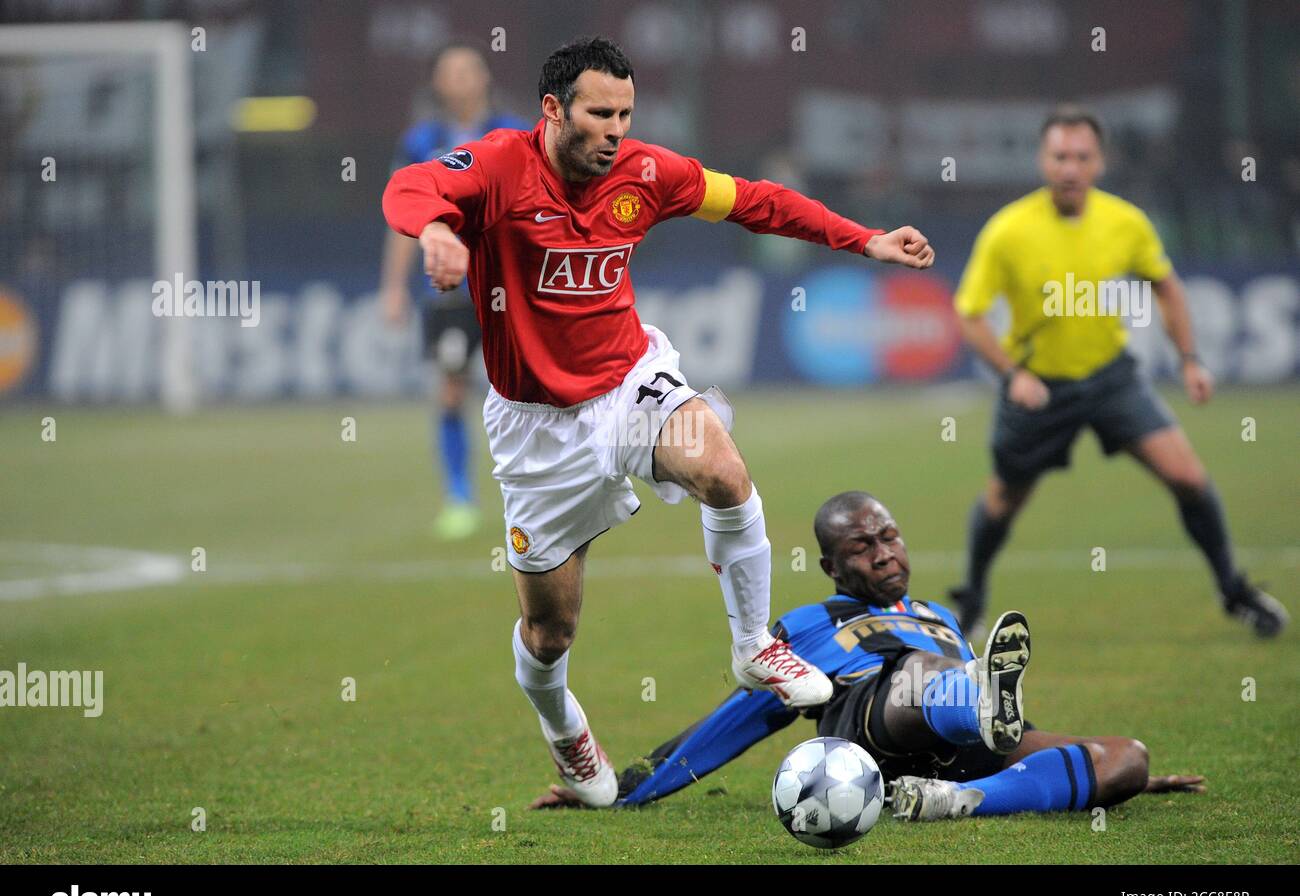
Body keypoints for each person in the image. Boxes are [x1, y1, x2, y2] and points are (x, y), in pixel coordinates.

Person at [382, 37, 935, 806]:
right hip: (538, 429)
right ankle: (564, 727)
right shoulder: (501, 165)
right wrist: (437, 231)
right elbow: (409, 187)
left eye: (626, 114)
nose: (615, 129)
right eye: (599, 113)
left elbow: (754, 201)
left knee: (725, 473)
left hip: (629, 381)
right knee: (550, 633)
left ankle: (754, 647)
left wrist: (862, 238)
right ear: (553, 110)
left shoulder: (647, 172)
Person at [530, 492, 1205, 820]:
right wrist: (626, 787)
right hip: (870, 734)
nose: (884, 551)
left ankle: (960, 799)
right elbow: (734, 721)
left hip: (960, 744)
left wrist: (1104, 774)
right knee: (920, 673)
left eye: (889, 535)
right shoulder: (810, 624)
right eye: (862, 546)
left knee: (1127, 756)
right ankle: (974, 700)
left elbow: (1006, 728)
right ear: (831, 564)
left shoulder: (939, 616)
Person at [948, 106, 1287, 639]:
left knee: (1189, 478)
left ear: (1099, 162)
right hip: (1038, 386)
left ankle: (1233, 590)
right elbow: (968, 313)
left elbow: (1167, 285)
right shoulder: (1008, 230)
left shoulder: (1125, 222)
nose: (1070, 168)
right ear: (1043, 160)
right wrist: (1012, 374)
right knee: (1002, 500)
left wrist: (1190, 360)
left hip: (1111, 379)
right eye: (1060, 156)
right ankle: (971, 598)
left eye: (1082, 157)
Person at [378, 41, 529, 540]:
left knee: (525, 392)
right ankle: (460, 497)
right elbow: (404, 219)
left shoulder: (515, 134)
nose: (460, 79)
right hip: (451, 291)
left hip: (508, 288)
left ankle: (533, 492)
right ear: (438, 84)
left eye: (468, 70)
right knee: (450, 390)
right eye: (450, 72)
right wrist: (394, 288)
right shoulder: (421, 141)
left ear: (484, 77)